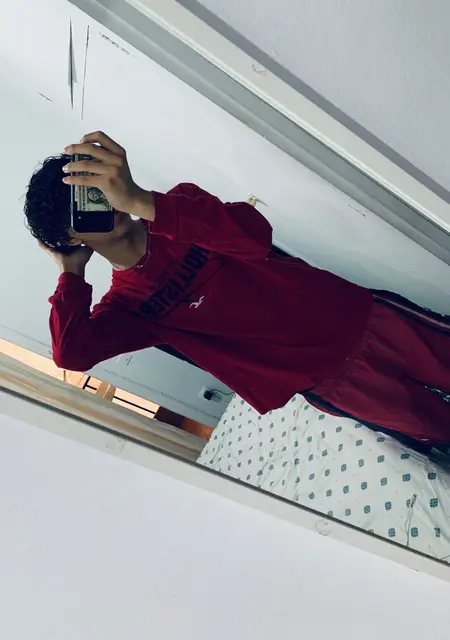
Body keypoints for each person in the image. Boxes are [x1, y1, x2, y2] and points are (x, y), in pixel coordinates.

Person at [25, 131, 450, 446]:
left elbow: (254, 236)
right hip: (332, 381)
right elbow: (71, 354)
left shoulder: (176, 207)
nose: (100, 205)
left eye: (92, 190)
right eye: (81, 211)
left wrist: (140, 200)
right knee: (439, 429)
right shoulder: (128, 307)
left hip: (363, 318)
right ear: (71, 238)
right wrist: (70, 273)